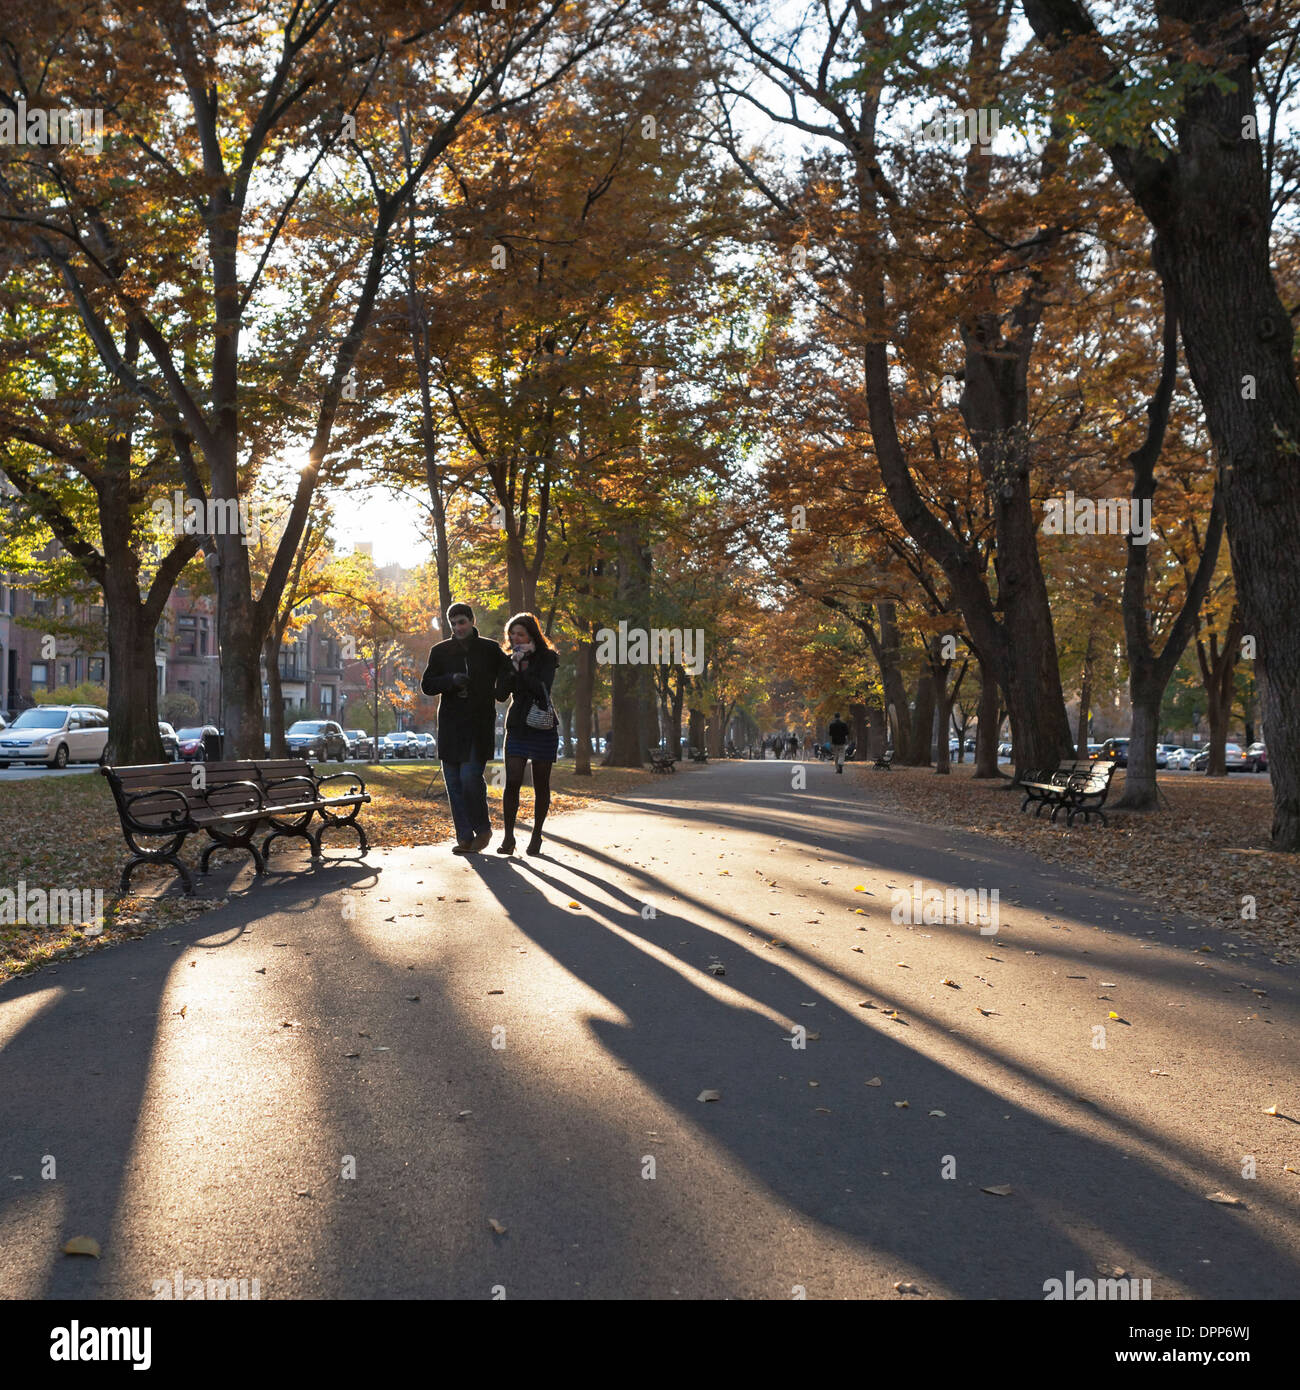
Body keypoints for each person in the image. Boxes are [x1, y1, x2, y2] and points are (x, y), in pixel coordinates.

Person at [421, 602, 512, 854]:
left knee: (469, 777)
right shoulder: (440, 651)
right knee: (453, 781)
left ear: (472, 620)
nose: (458, 627)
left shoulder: (489, 649)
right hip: (450, 725)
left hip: (478, 723)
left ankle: (482, 830)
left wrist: (498, 692)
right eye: (453, 623)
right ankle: (464, 837)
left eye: (462, 621)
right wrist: (450, 680)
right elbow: (427, 685)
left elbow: (508, 670)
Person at [494, 611, 559, 857]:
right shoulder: (509, 660)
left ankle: (537, 835)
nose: (515, 638)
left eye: (520, 634)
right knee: (511, 780)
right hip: (518, 725)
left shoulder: (547, 658)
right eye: (512, 634)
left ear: (532, 634)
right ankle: (508, 837)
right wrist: (511, 667)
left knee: (541, 783)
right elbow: (500, 694)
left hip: (542, 726)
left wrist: (523, 667)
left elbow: (542, 688)